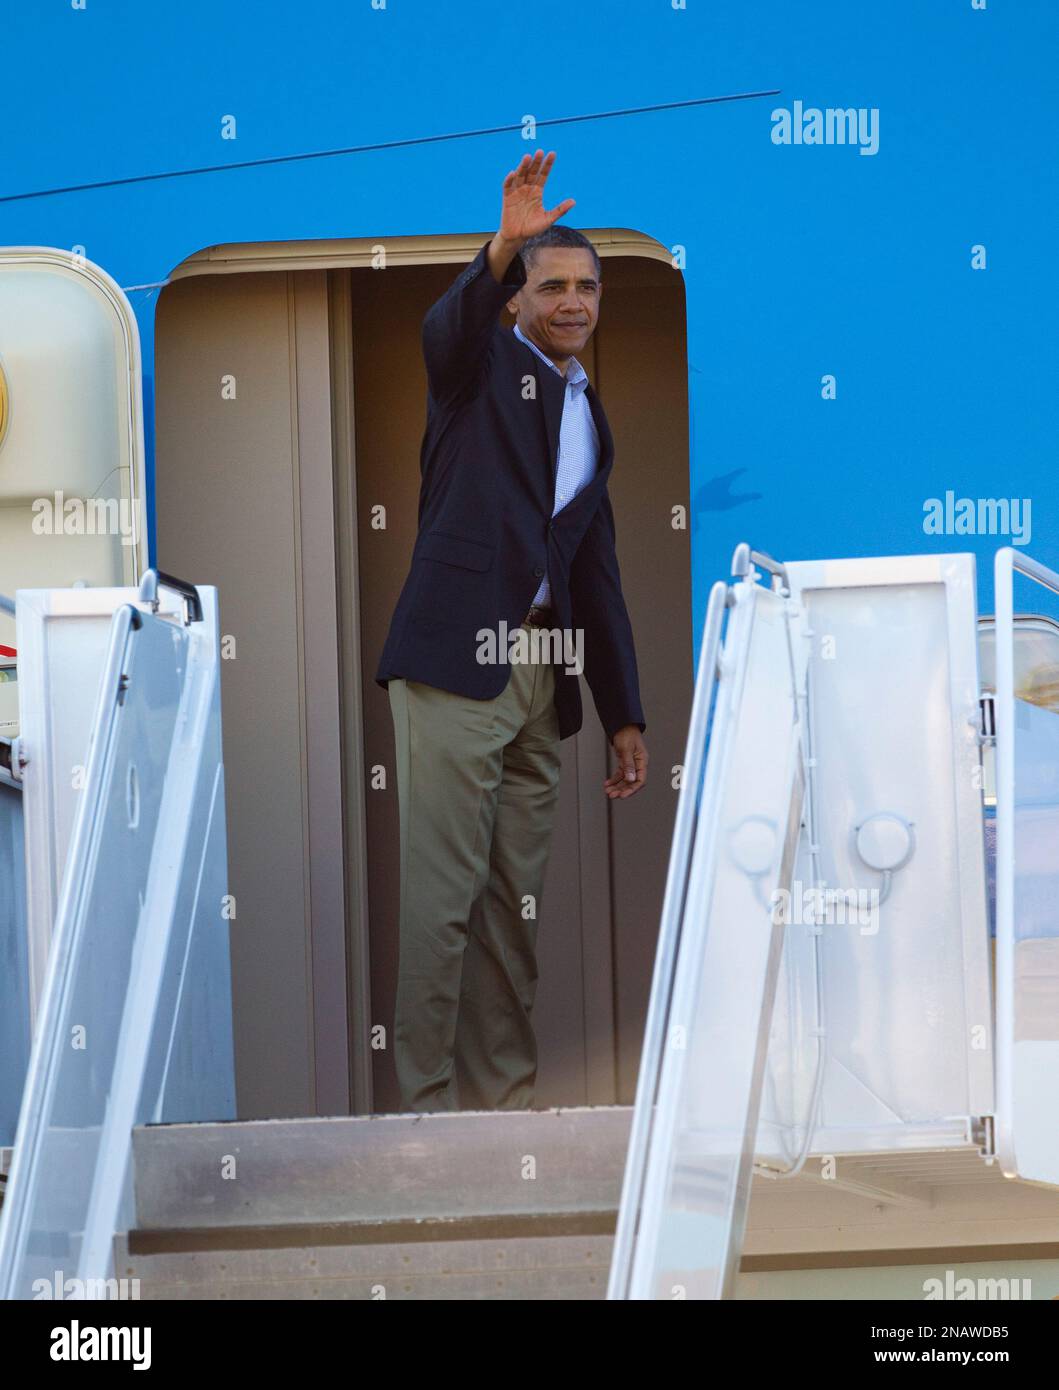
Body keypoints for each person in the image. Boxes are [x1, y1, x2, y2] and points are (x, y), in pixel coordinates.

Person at [376, 149, 648, 1113]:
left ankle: (501, 1109)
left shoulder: (588, 414)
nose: (572, 301)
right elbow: (443, 327)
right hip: (456, 663)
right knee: (443, 902)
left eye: (586, 287)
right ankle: (422, 1109)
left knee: (510, 910)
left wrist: (623, 712)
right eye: (552, 284)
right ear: (520, 298)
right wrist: (501, 246)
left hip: (543, 672)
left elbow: (594, 567)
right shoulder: (477, 364)